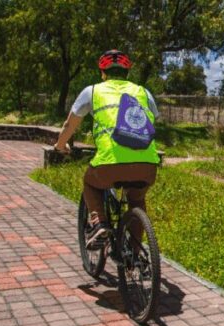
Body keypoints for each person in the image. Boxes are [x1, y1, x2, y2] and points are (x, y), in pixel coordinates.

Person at [54, 49, 161, 249]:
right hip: (148, 165)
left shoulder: (92, 91)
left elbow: (69, 125)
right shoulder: (143, 92)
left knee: (90, 182)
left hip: (109, 164)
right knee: (137, 199)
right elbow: (155, 119)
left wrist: (60, 145)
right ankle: (135, 253)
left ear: (103, 73)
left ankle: (99, 223)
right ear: (127, 73)